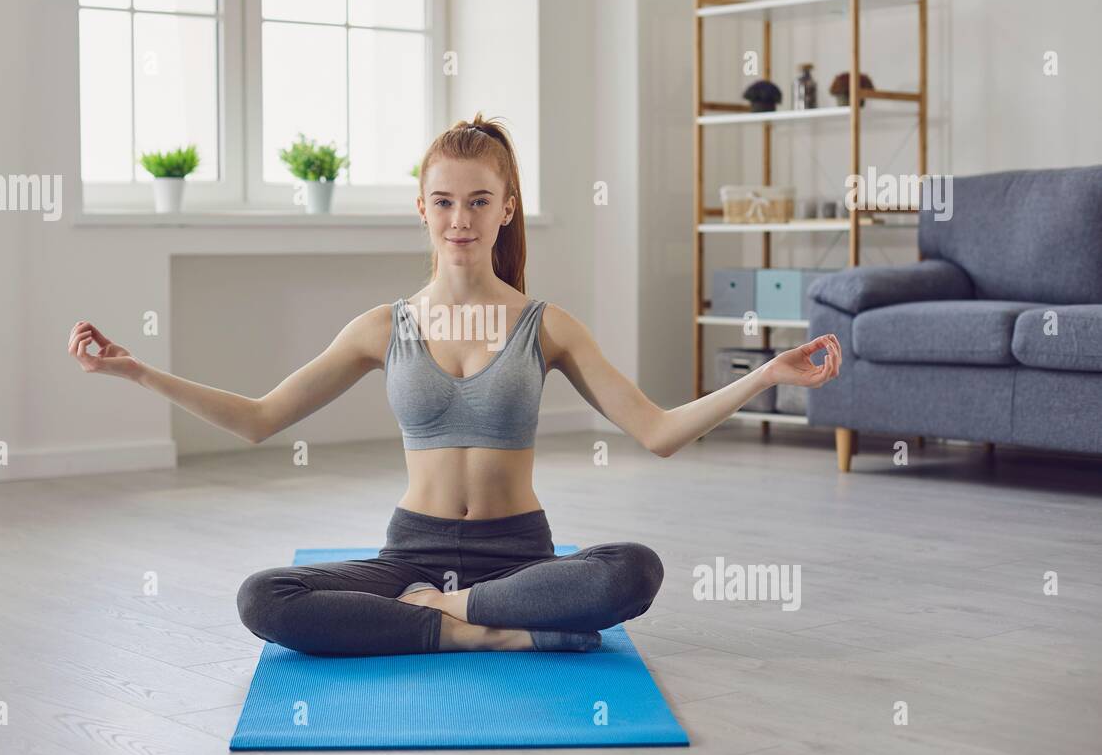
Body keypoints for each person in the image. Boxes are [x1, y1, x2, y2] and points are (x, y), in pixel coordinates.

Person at [67, 112, 841, 656]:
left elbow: (658, 431)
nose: (459, 219)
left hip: (521, 558)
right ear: (422, 210)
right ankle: (481, 630)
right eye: (443, 202)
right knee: (262, 598)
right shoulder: (384, 325)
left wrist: (768, 374)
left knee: (633, 570)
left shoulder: (548, 326)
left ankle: (443, 617)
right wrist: (134, 369)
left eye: (478, 201)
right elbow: (260, 418)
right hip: (411, 554)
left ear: (507, 208)